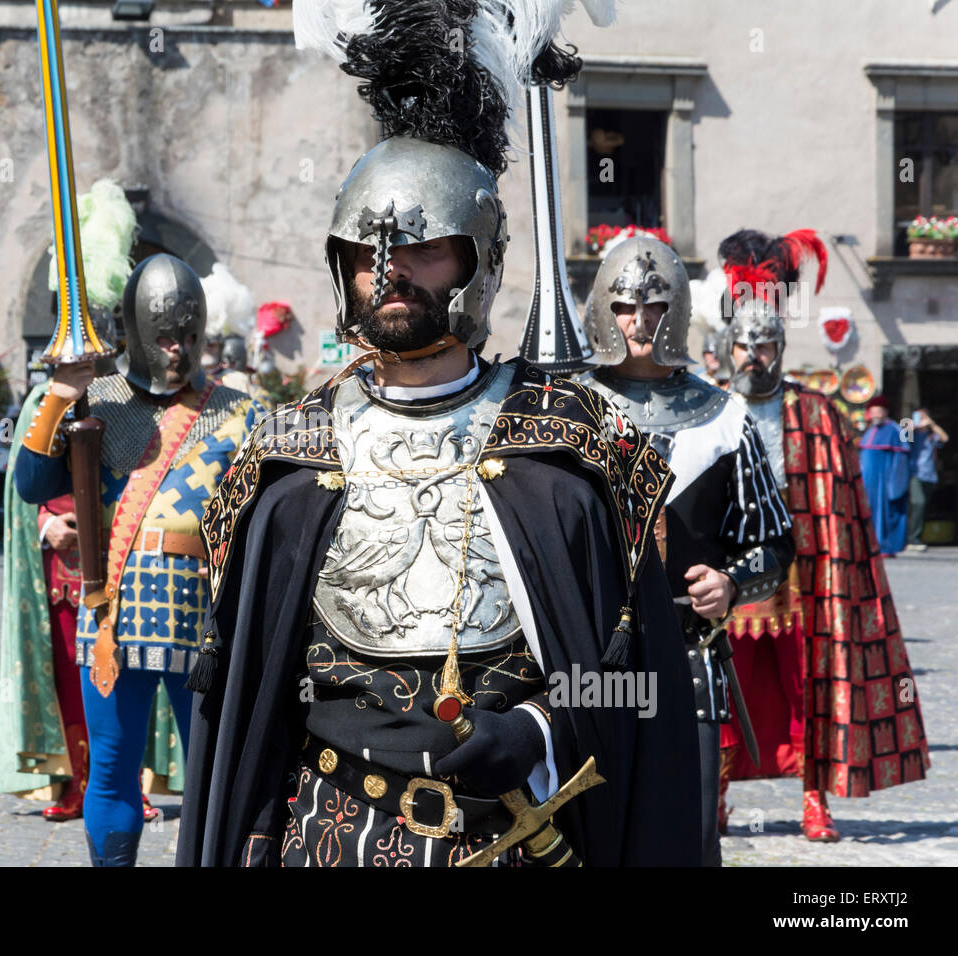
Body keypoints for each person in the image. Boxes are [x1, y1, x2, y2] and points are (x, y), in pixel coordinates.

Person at [179, 0, 700, 868]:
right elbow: (239, 698)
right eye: (368, 251)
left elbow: (641, 681)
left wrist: (538, 728)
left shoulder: (571, 449)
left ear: (479, 259)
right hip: (329, 839)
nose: (390, 273)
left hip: (513, 841)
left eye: (423, 249)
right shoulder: (286, 457)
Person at [10, 253, 261, 866]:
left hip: (202, 618)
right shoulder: (99, 402)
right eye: (165, 336)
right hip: (112, 616)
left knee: (211, 770)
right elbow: (30, 482)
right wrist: (60, 394)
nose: (177, 349)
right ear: (137, 333)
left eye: (189, 336)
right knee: (113, 765)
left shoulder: (238, 410)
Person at [580, 236, 794, 867]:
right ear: (603, 311)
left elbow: (774, 542)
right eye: (625, 306)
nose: (640, 321)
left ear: (676, 313)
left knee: (688, 839)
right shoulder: (568, 412)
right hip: (585, 662)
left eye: (655, 306)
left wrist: (730, 583)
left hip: (689, 660)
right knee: (589, 830)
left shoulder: (726, 418)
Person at [716, 227, 930, 840]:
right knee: (727, 686)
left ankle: (815, 799)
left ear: (781, 347)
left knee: (808, 682)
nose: (754, 353)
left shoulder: (815, 411)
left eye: (765, 343)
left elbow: (842, 504)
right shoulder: (709, 409)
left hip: (807, 569)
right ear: (729, 349)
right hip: (732, 567)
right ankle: (719, 794)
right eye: (744, 344)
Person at [859, 397, 910, 557]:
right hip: (868, 482)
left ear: (886, 412)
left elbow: (904, 456)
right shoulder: (869, 431)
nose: (875, 414)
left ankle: (885, 546)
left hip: (885, 482)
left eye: (878, 411)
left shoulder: (898, 429)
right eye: (873, 411)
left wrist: (895, 483)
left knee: (885, 513)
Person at [906, 407, 947, 552]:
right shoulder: (912, 432)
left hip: (929, 474)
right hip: (914, 473)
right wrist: (911, 425)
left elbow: (945, 438)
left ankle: (916, 536)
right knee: (918, 503)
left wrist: (932, 424)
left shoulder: (931, 434)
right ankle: (912, 538)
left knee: (923, 506)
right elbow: (902, 440)